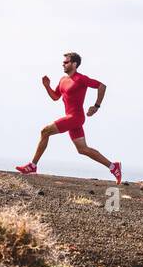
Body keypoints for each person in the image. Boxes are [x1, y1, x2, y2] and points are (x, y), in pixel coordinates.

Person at [16, 52, 121, 184]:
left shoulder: (81, 78)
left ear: (74, 64)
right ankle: (113, 166)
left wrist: (96, 106)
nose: (63, 64)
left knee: (45, 131)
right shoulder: (62, 80)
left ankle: (32, 165)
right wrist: (47, 86)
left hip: (76, 117)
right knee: (83, 149)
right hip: (72, 118)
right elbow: (55, 97)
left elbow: (102, 86)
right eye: (63, 62)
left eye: (66, 62)